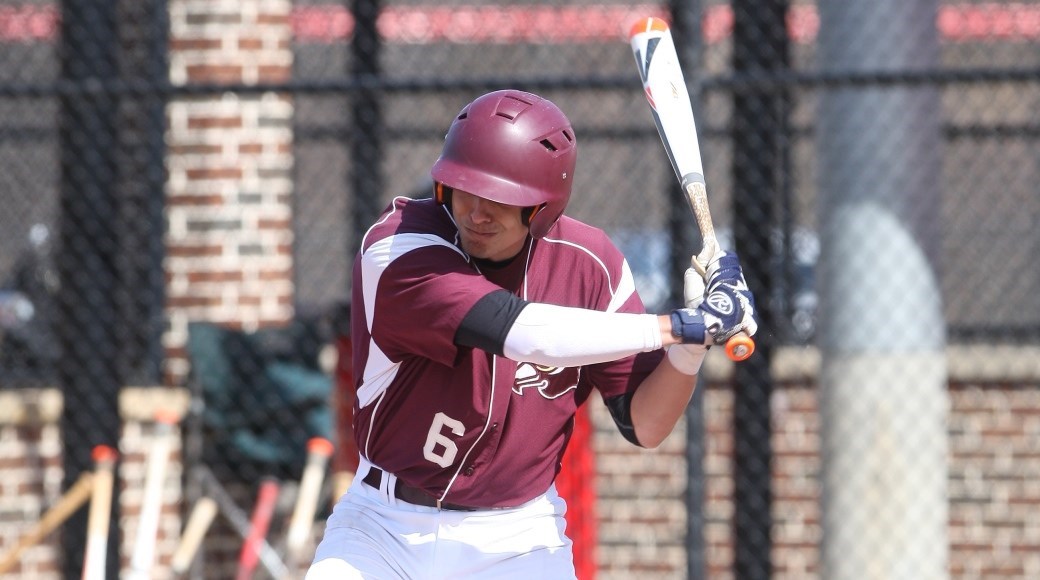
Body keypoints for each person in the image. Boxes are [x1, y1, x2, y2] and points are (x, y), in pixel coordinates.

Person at [306, 89, 757, 579]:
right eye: (465, 189)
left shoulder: (590, 266)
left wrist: (693, 346)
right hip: (383, 529)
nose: (477, 213)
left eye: (499, 199)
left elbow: (646, 425)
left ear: (543, 206)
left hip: (519, 541)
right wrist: (682, 324)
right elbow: (520, 331)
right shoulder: (398, 247)